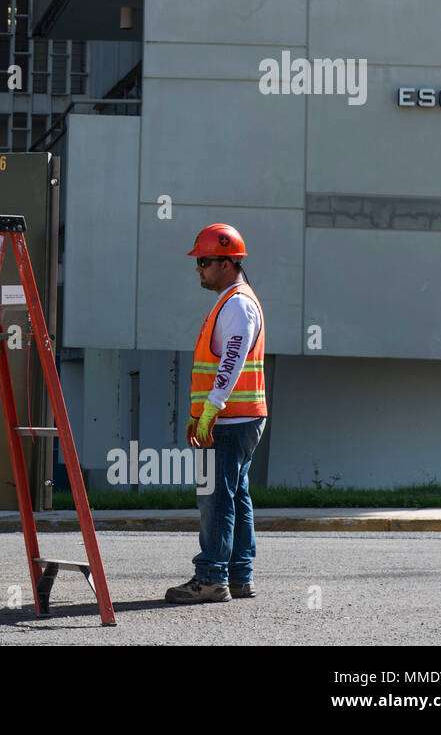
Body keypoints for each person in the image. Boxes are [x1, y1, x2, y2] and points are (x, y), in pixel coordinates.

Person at [165, 223, 268, 604]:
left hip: (229, 421)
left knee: (216, 498)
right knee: (236, 496)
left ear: (227, 263)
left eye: (204, 262)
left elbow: (232, 359)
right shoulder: (233, 300)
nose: (199, 269)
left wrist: (211, 408)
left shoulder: (237, 304)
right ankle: (239, 576)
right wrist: (206, 409)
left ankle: (210, 578)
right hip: (239, 418)